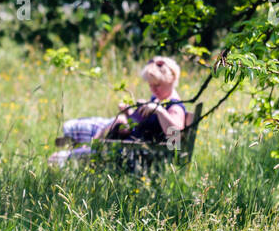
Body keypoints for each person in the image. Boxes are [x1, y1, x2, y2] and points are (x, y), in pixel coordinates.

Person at [49, 56, 187, 167]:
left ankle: (79, 148)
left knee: (56, 159)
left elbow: (175, 139)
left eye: (157, 85)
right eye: (150, 85)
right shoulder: (159, 99)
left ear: (172, 80)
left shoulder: (174, 106)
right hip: (126, 148)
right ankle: (80, 145)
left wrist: (159, 111)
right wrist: (130, 112)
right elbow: (143, 126)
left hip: (132, 153)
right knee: (110, 125)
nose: (153, 90)